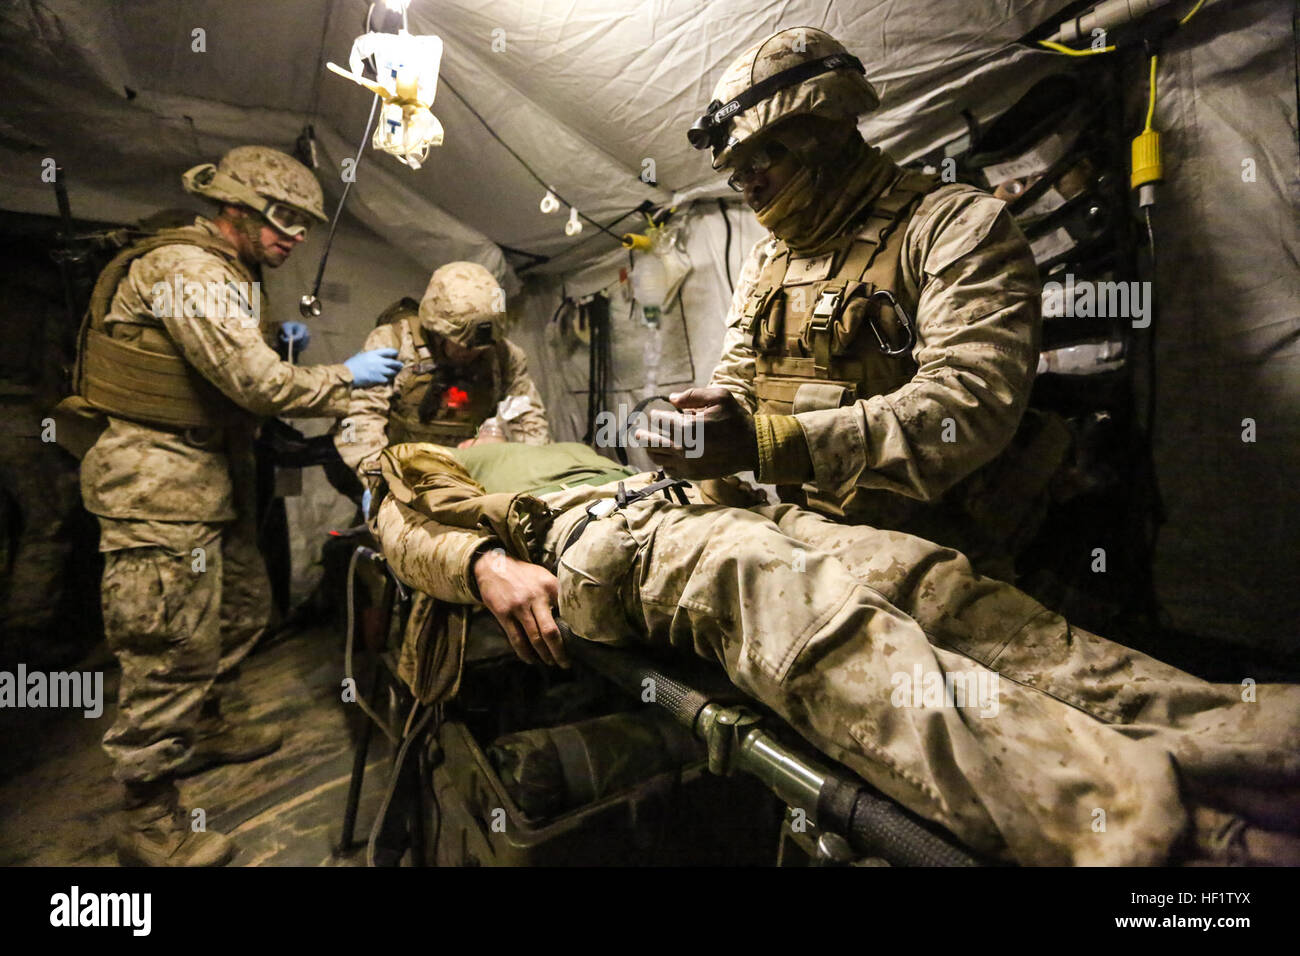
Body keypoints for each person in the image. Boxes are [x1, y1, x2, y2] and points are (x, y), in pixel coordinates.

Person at [364, 440, 1300, 866]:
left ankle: (1257, 742)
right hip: (619, 545)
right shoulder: (429, 455)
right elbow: (399, 531)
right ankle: (1156, 838)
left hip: (705, 509)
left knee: (941, 587)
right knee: (815, 618)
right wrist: (484, 562)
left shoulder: (554, 435)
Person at [66, 145, 404, 866]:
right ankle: (149, 817)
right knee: (166, 645)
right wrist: (348, 375)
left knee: (243, 609)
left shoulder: (234, 274)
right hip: (157, 479)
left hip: (210, 470)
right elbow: (258, 386)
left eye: (305, 224)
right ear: (235, 208)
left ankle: (206, 725)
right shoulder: (187, 269)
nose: (295, 236)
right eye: (283, 218)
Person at [643, 27, 1067, 580]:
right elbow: (743, 383)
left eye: (760, 158)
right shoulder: (768, 259)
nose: (747, 184)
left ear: (821, 130)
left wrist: (765, 444)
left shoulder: (953, 226)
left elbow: (967, 406)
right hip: (814, 545)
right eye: (735, 170)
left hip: (946, 558)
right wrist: (701, 435)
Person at [335, 261, 550, 476]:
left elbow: (527, 418)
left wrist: (535, 472)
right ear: (437, 331)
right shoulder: (394, 344)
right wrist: (375, 478)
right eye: (462, 345)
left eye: (480, 348)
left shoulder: (504, 356)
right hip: (398, 472)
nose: (472, 353)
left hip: (463, 474)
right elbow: (359, 418)